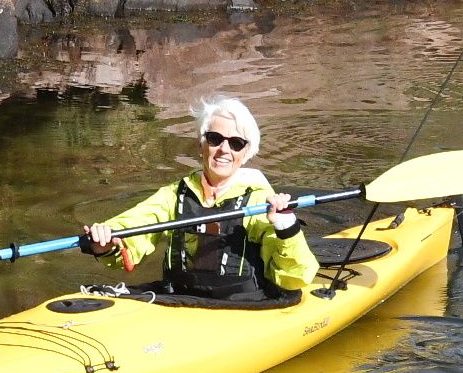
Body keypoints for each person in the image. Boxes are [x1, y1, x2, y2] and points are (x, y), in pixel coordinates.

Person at [79, 97, 319, 302]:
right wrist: (106, 241)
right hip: (180, 300)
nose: (224, 149)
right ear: (201, 144)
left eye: (236, 143)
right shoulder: (174, 194)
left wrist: (286, 226)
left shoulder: (260, 201)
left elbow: (294, 277)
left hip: (242, 307)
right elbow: (135, 225)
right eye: (215, 138)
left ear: (246, 153)